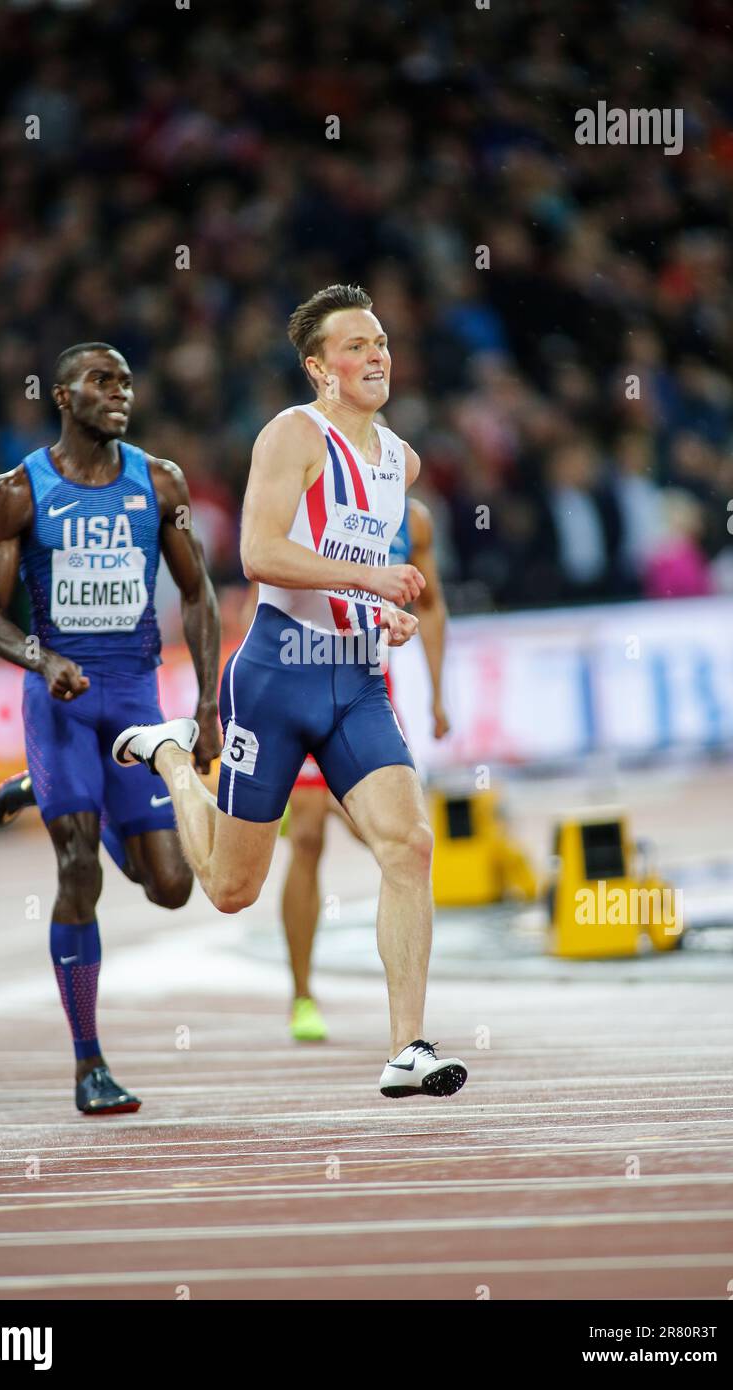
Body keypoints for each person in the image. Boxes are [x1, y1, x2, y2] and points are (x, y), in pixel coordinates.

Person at [113, 285, 467, 1099]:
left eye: (381, 342)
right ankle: (170, 756)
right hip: (275, 679)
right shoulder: (291, 435)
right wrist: (370, 576)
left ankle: (406, 1046)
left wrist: (382, 611)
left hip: (356, 680)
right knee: (234, 890)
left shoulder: (399, 461)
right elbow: (262, 554)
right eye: (355, 346)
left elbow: (353, 568)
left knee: (409, 845)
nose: (376, 355)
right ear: (319, 368)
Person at [0, 343, 221, 1114]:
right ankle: (90, 1064)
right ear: (61, 395)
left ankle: (54, 793)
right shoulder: (17, 494)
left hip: (136, 696)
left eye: (127, 382)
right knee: (80, 869)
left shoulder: (159, 480)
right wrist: (40, 659)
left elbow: (199, 593)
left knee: (171, 886)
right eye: (102, 382)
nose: (120, 393)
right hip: (63, 698)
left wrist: (207, 704)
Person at [282, 495, 451, 1042]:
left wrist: (439, 696)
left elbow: (430, 605)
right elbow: (264, 580)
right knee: (306, 834)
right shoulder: (307, 499)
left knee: (402, 843)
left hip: (368, 686)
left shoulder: (415, 519)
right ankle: (303, 995)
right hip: (302, 674)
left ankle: (405, 1015)